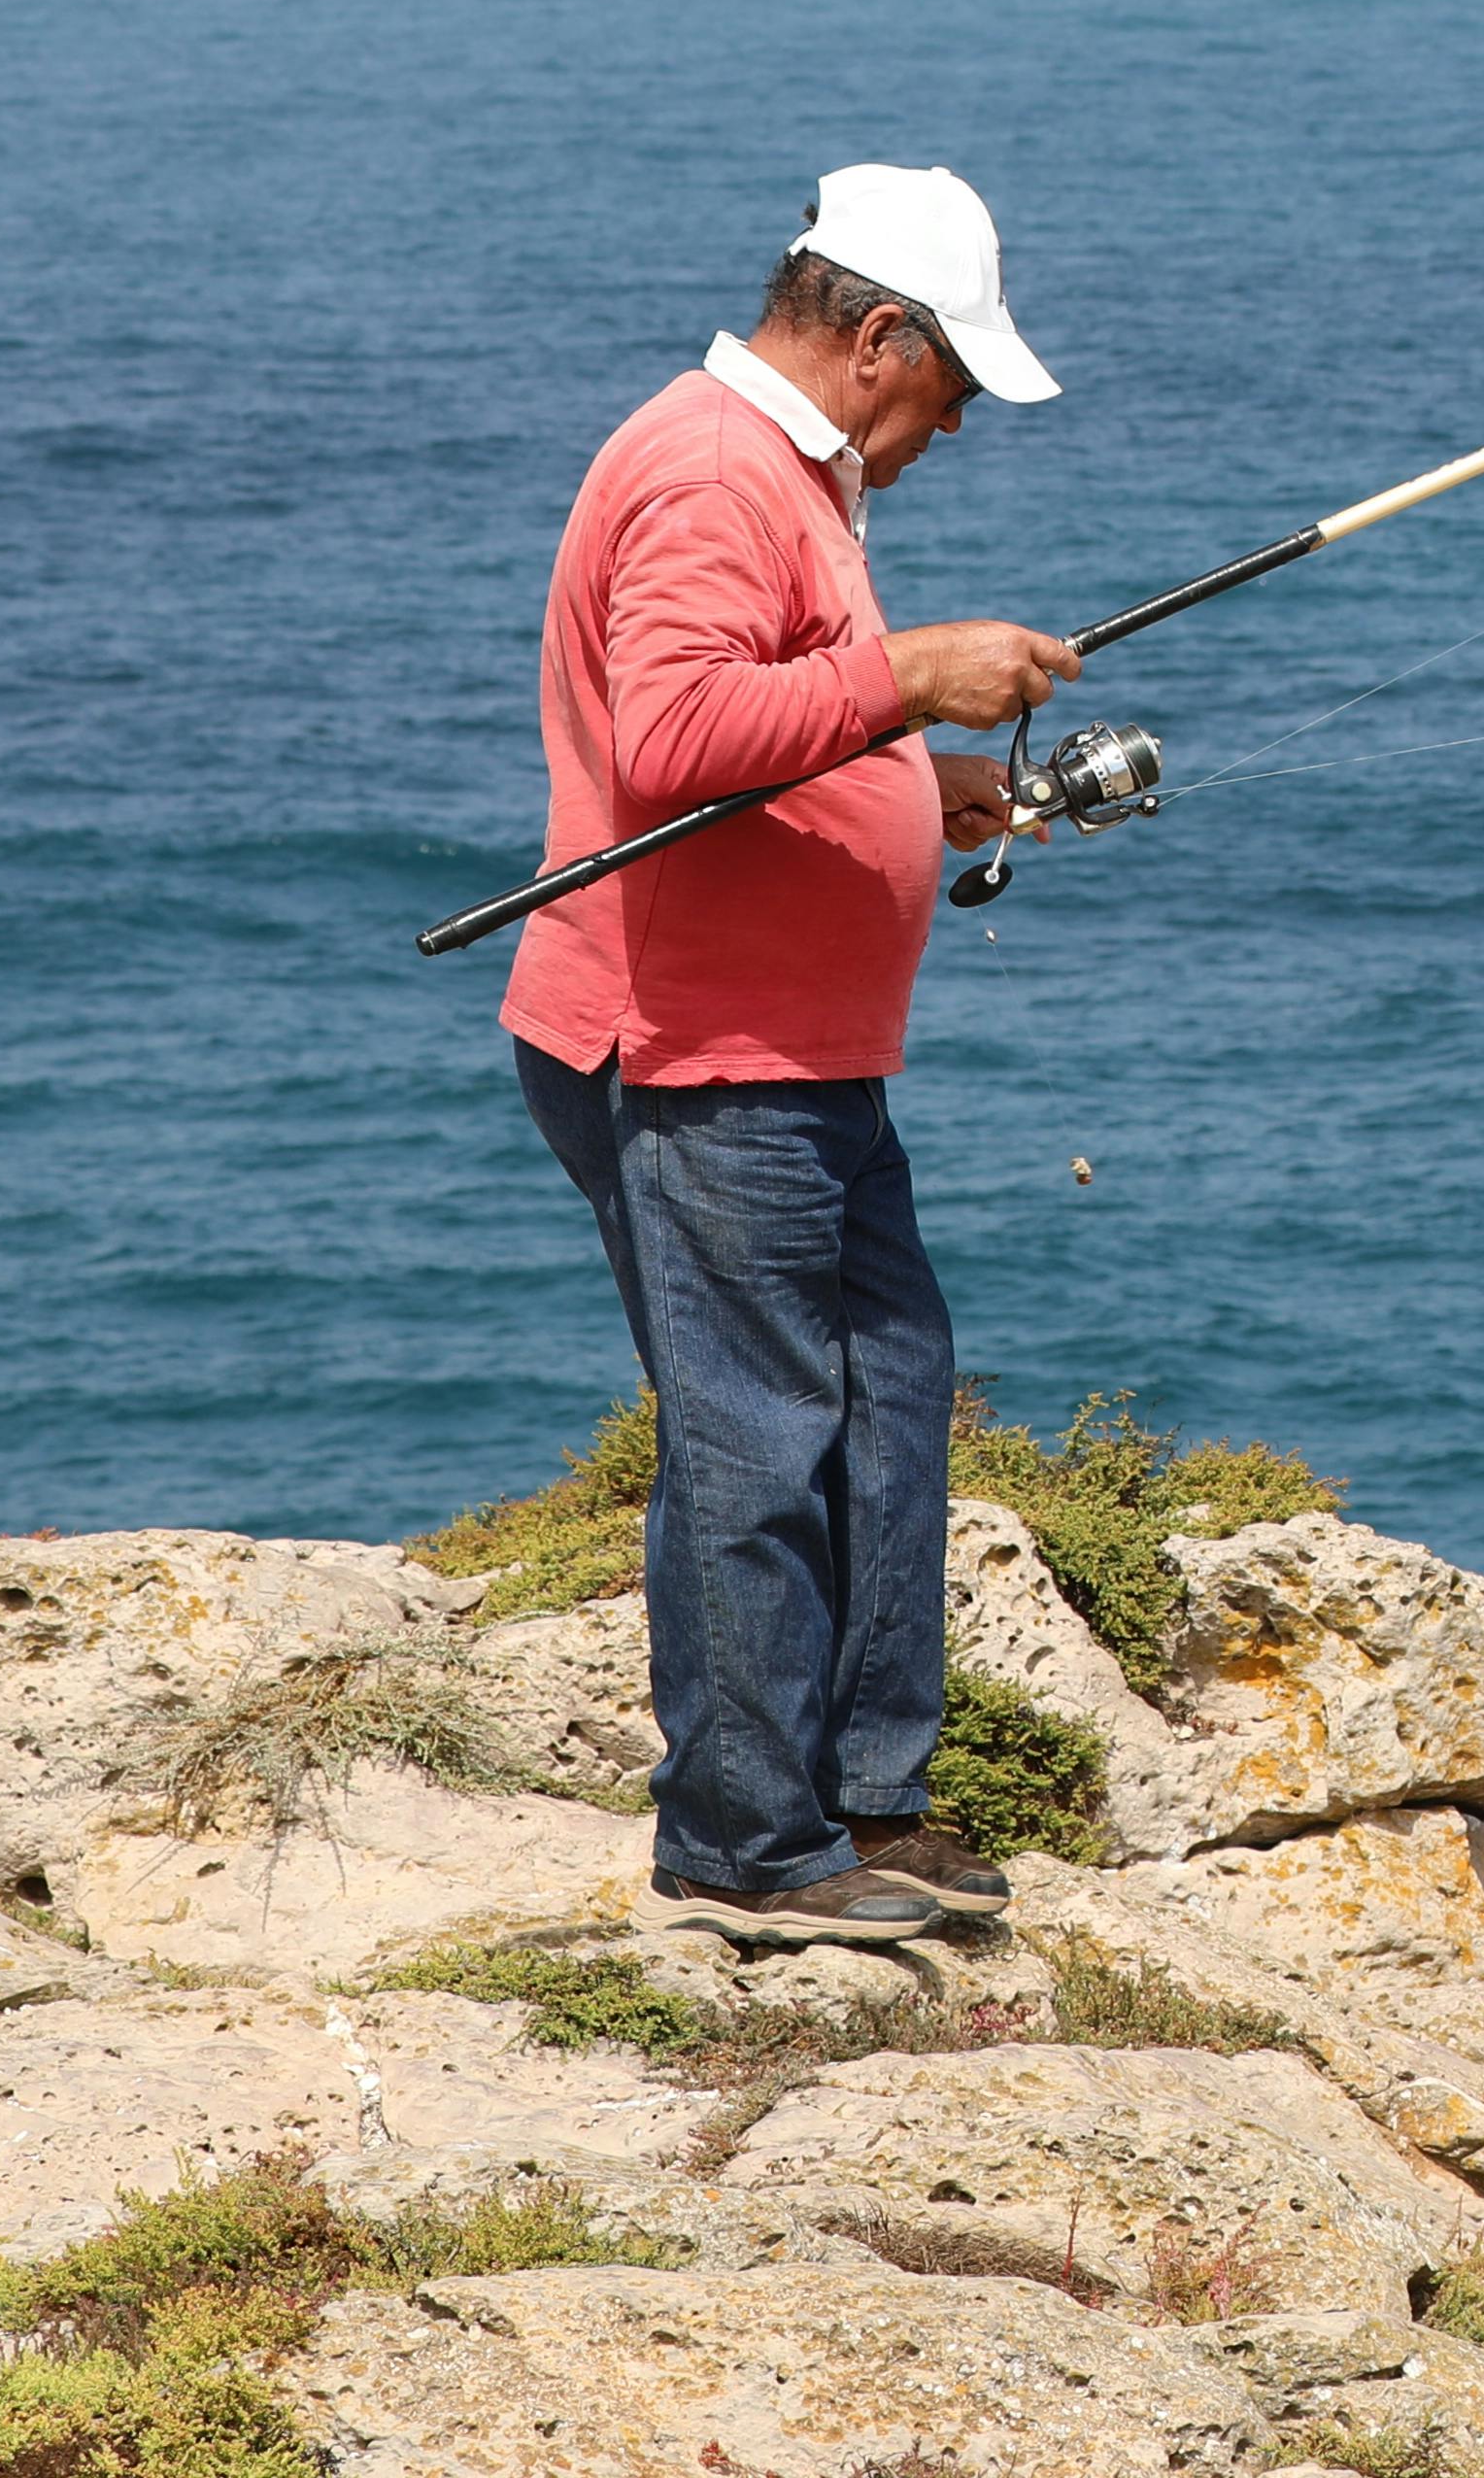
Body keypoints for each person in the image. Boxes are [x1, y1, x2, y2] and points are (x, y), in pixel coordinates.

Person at [503, 164, 1084, 1947]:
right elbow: (674, 730)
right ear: (877, 339)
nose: (956, 425)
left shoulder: (786, 476)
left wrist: (917, 777)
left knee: (889, 1393)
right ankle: (747, 1845)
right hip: (696, 1050)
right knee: (761, 1434)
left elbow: (768, 729)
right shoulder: (706, 471)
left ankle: (861, 1803)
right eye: (953, 386)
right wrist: (911, 686)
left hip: (800, 1049)